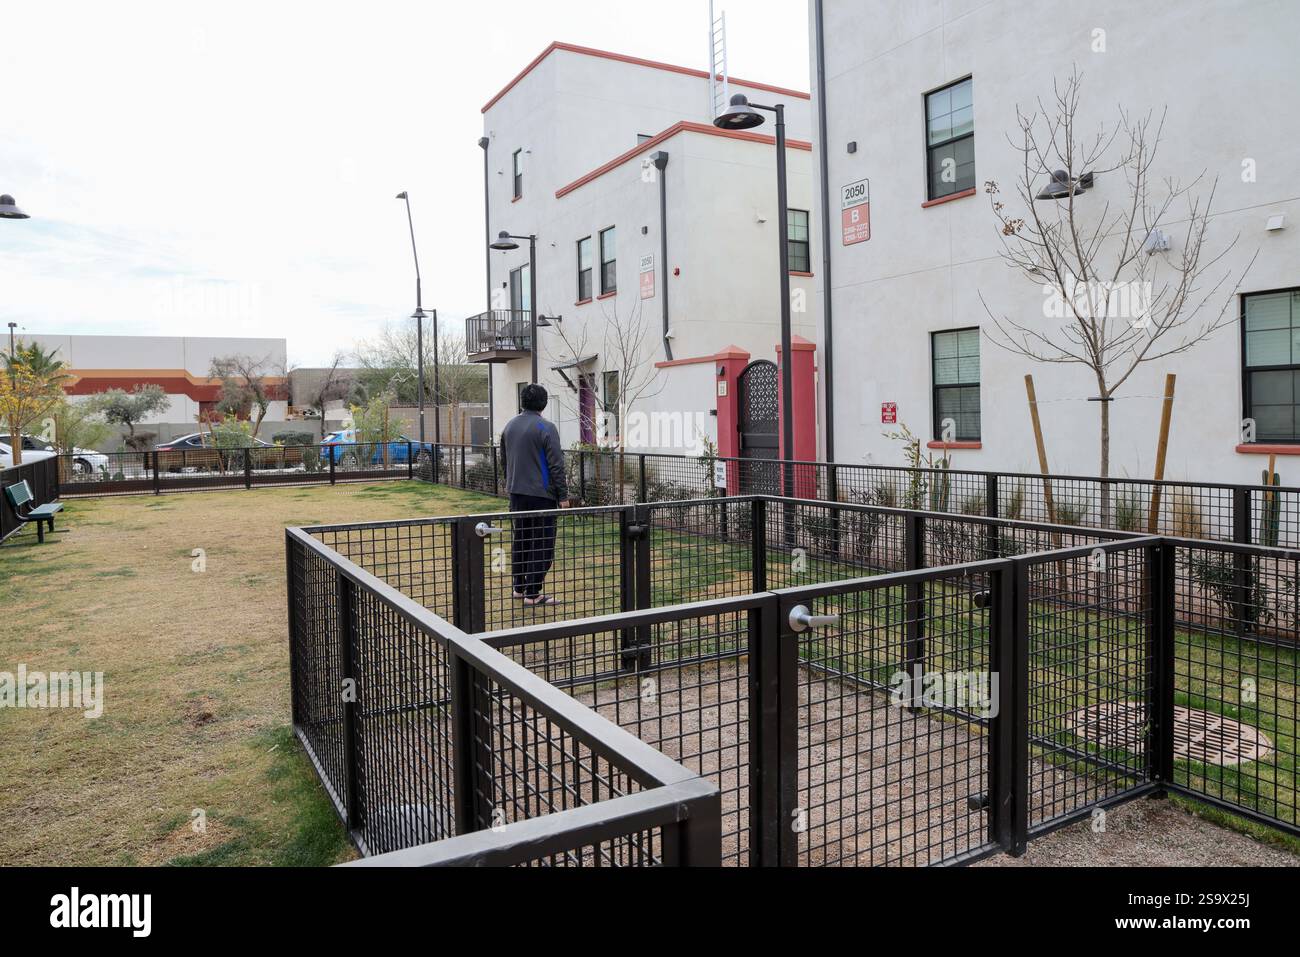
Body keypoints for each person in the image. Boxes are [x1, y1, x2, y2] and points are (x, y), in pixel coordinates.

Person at [500, 384, 569, 606]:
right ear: (544, 402)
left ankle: (519, 588)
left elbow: (504, 460)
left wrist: (509, 483)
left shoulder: (509, 426)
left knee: (521, 540)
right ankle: (533, 593)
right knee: (542, 543)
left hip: (516, 493)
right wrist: (563, 496)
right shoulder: (546, 427)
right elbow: (556, 465)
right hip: (542, 495)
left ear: (522, 402)